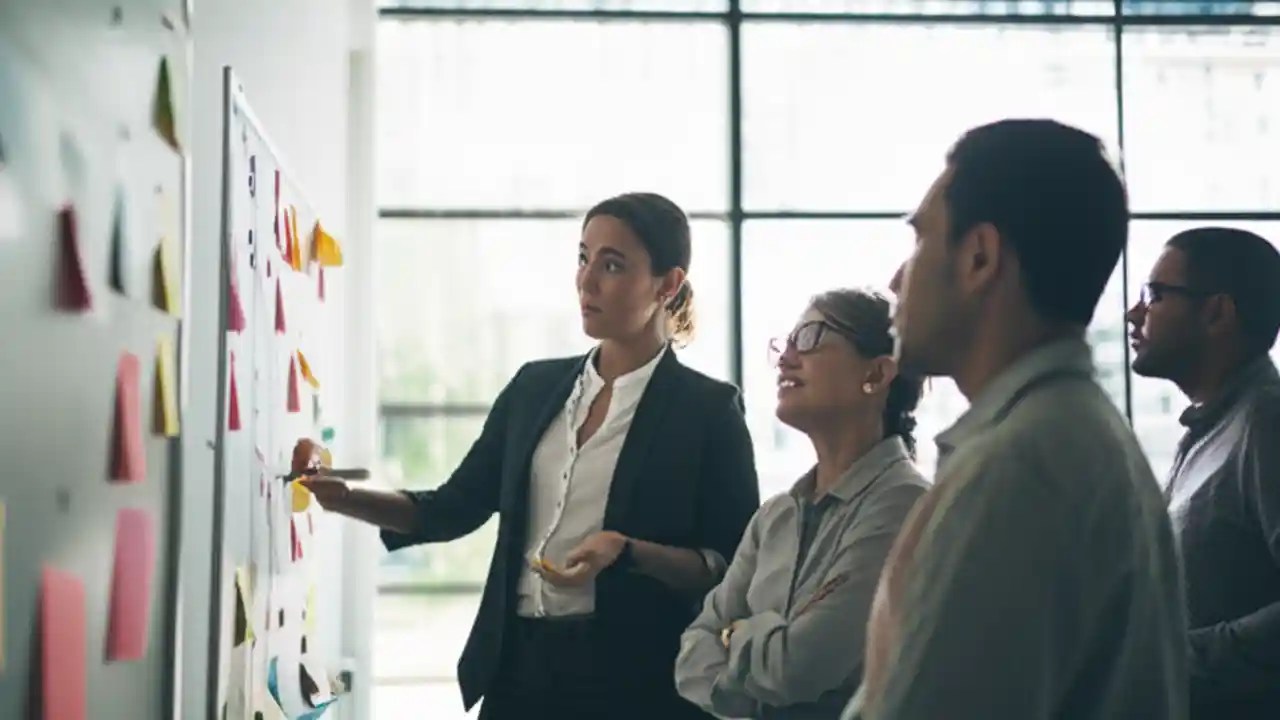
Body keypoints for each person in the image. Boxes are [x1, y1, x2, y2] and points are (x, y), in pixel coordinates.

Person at [302, 192, 761, 720]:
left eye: (612, 265)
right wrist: (345, 499)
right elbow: (450, 507)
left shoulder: (707, 410)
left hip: (637, 683)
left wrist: (629, 551)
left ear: (668, 283)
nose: (587, 282)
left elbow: (729, 567)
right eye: (583, 257)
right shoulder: (533, 389)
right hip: (518, 673)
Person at [844, 119, 1188, 720]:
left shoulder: (1021, 466)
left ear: (980, 257)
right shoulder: (1066, 433)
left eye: (921, 241)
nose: (898, 278)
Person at [675, 288, 928, 720]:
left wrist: (734, 635)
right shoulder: (775, 516)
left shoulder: (904, 503)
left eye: (809, 337)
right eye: (786, 342)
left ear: (878, 372)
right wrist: (759, 656)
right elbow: (691, 660)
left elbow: (799, 667)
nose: (785, 358)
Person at [1127, 227, 1280, 720]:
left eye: (1154, 295)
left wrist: (1175, 658)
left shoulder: (1266, 423)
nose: (1134, 313)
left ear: (1217, 312)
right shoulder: (1210, 427)